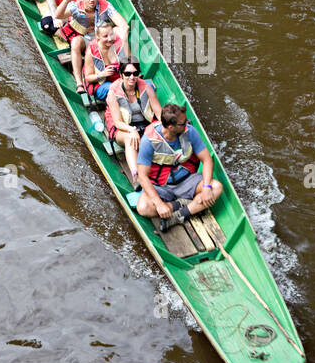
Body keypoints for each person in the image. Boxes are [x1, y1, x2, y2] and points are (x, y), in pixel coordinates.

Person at [135, 102, 223, 231]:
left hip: (187, 180)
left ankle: (179, 215)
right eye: (183, 123)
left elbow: (207, 160)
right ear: (171, 127)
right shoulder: (149, 141)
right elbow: (142, 177)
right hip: (161, 185)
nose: (187, 124)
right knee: (143, 208)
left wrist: (206, 187)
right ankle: (182, 203)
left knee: (216, 187)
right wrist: (159, 205)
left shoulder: (190, 131)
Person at [105, 63, 162, 181]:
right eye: (127, 74)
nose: (132, 77)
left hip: (144, 125)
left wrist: (163, 127)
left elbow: (159, 113)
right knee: (130, 139)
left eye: (135, 74)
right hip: (122, 128)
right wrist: (132, 130)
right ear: (121, 75)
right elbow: (117, 122)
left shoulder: (146, 88)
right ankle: (137, 176)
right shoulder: (113, 93)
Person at [83, 19, 124, 101]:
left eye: (111, 34)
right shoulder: (91, 51)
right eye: (105, 36)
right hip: (101, 85)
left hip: (120, 81)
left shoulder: (119, 42)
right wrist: (102, 74)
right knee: (114, 89)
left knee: (147, 85)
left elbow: (129, 64)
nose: (110, 39)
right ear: (97, 37)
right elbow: (88, 78)